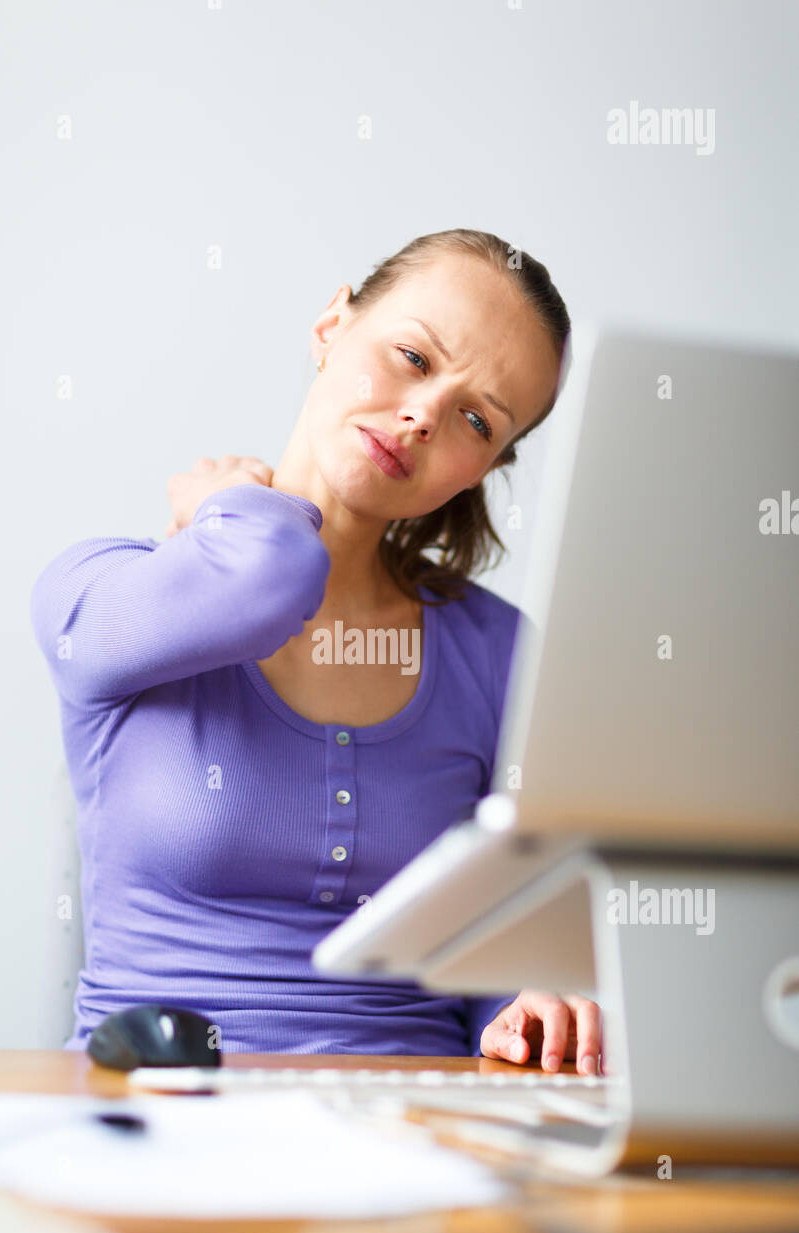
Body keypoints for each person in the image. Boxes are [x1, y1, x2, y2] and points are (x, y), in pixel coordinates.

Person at [31, 227, 601, 1072]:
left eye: (475, 421)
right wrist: (240, 519)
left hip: (422, 1130)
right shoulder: (99, 593)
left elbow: (494, 951)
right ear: (333, 324)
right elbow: (265, 579)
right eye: (412, 356)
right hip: (164, 1116)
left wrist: (524, 1005)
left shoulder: (498, 654)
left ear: (484, 467)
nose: (421, 417)